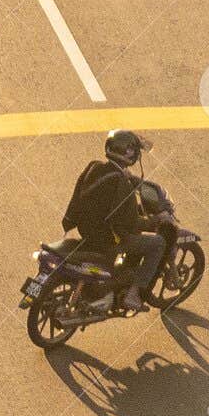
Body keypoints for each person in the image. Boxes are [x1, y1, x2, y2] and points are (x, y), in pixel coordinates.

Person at [61, 129, 167, 316]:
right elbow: (129, 224)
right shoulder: (121, 185)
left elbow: (80, 194)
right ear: (130, 153)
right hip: (107, 239)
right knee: (158, 244)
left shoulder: (95, 167)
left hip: (86, 230)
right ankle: (133, 294)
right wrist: (154, 221)